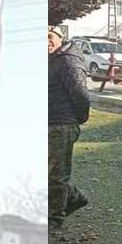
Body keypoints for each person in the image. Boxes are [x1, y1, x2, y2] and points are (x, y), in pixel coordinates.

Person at [48, 27, 90, 228]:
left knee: (56, 174)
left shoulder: (68, 61)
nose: (45, 42)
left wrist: (78, 119)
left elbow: (80, 94)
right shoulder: (51, 59)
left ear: (60, 37)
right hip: (49, 121)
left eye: (49, 37)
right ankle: (73, 197)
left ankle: (54, 219)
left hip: (62, 124)